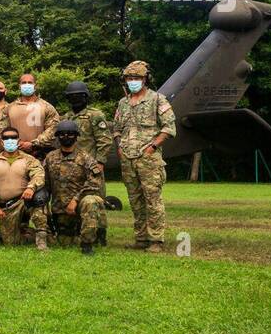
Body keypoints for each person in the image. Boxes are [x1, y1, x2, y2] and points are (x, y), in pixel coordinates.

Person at [112, 60, 176, 253]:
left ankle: (156, 240)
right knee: (135, 200)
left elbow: (169, 127)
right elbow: (116, 128)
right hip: (128, 159)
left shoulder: (157, 99)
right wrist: (119, 146)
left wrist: (153, 146)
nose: (133, 81)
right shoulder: (123, 103)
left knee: (153, 199)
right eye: (130, 78)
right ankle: (140, 238)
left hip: (148, 159)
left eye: (137, 78)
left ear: (145, 79)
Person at [0, 126, 48, 250]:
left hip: (25, 200)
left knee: (39, 199)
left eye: (13, 137)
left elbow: (39, 175)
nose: (10, 140)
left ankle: (42, 240)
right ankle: (27, 232)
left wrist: (31, 188)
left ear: (18, 140)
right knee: (11, 242)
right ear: (1, 141)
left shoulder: (28, 159)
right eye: (6, 138)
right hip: (8, 205)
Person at [43, 120, 107, 255]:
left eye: (70, 134)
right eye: (62, 134)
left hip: (79, 206)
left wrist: (76, 200)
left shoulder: (86, 158)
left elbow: (95, 183)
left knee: (91, 201)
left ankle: (87, 244)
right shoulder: (50, 157)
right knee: (65, 242)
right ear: (57, 137)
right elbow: (46, 184)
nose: (66, 137)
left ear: (76, 136)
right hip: (60, 209)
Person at [62, 79, 113, 245]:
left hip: (92, 167)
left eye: (79, 96)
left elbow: (104, 140)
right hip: (72, 167)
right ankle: (80, 230)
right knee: (74, 199)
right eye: (72, 96)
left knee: (96, 199)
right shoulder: (66, 117)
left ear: (86, 97)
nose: (75, 99)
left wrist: (100, 163)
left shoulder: (95, 115)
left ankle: (100, 234)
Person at [0, 72, 58, 159]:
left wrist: (34, 143)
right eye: (24, 83)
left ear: (35, 85)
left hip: (40, 155)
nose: (27, 85)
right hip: (16, 155)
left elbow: (53, 128)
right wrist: (16, 143)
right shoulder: (9, 108)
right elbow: (2, 129)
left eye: (30, 83)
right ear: (19, 86)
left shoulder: (46, 107)